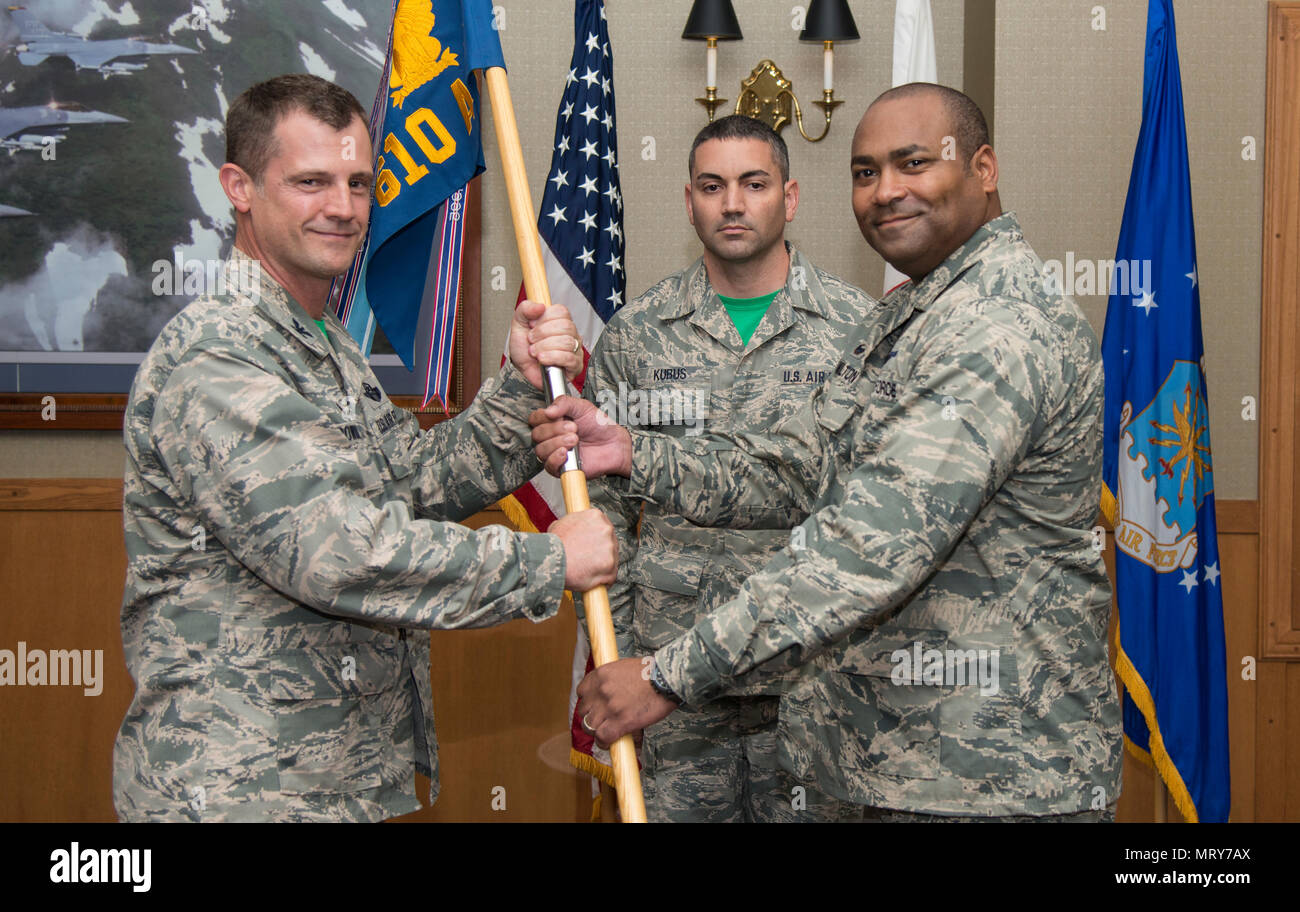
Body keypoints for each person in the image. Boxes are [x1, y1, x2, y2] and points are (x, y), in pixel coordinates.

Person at [534, 83, 1122, 821]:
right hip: (900, 760)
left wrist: (666, 675)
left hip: (988, 772)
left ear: (983, 168)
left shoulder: (989, 332)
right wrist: (633, 453)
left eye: (913, 163)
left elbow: (868, 546)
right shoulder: (915, 314)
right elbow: (802, 467)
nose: (886, 192)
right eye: (867, 172)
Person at [113, 74, 617, 822]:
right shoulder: (221, 357)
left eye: (359, 183)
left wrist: (518, 389)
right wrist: (549, 561)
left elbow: (408, 484)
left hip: (332, 780)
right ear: (238, 187)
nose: (344, 208)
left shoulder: (323, 342)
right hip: (242, 790)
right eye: (311, 182)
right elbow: (338, 552)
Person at [582, 115, 873, 822]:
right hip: (673, 676)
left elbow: (869, 511)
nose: (733, 204)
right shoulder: (637, 333)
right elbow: (603, 520)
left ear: (791, 197)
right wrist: (616, 653)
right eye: (712, 186)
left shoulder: (856, 329)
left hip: (813, 671)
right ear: (689, 203)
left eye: (753, 184)